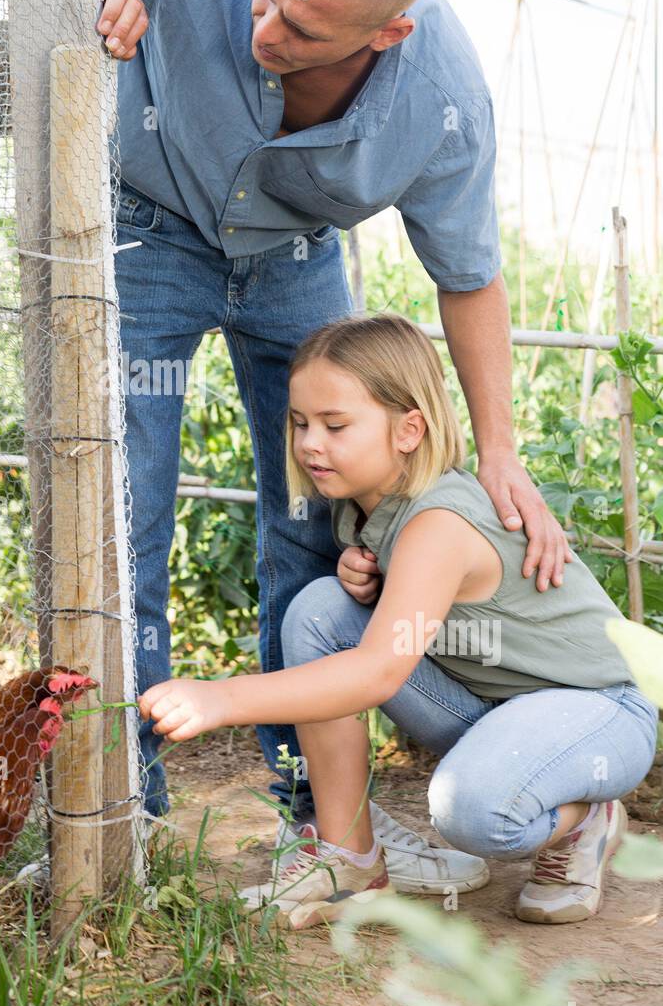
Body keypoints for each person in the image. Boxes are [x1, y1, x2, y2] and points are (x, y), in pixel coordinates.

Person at [98, 0, 572, 896]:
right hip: (149, 230)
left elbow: (470, 277)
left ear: (385, 34)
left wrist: (498, 448)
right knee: (120, 511)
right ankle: (117, 806)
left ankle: (317, 821)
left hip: (296, 256)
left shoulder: (439, 98)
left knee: (319, 528)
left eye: (303, 33)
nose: (267, 32)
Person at [138, 314, 659, 927]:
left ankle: (585, 821)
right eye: (300, 422)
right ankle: (350, 859)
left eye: (335, 425)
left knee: (472, 811)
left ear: (409, 429)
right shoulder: (370, 507)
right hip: (500, 709)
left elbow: (379, 672)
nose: (310, 443)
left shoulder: (438, 522)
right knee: (321, 611)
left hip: (600, 711)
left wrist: (221, 698)